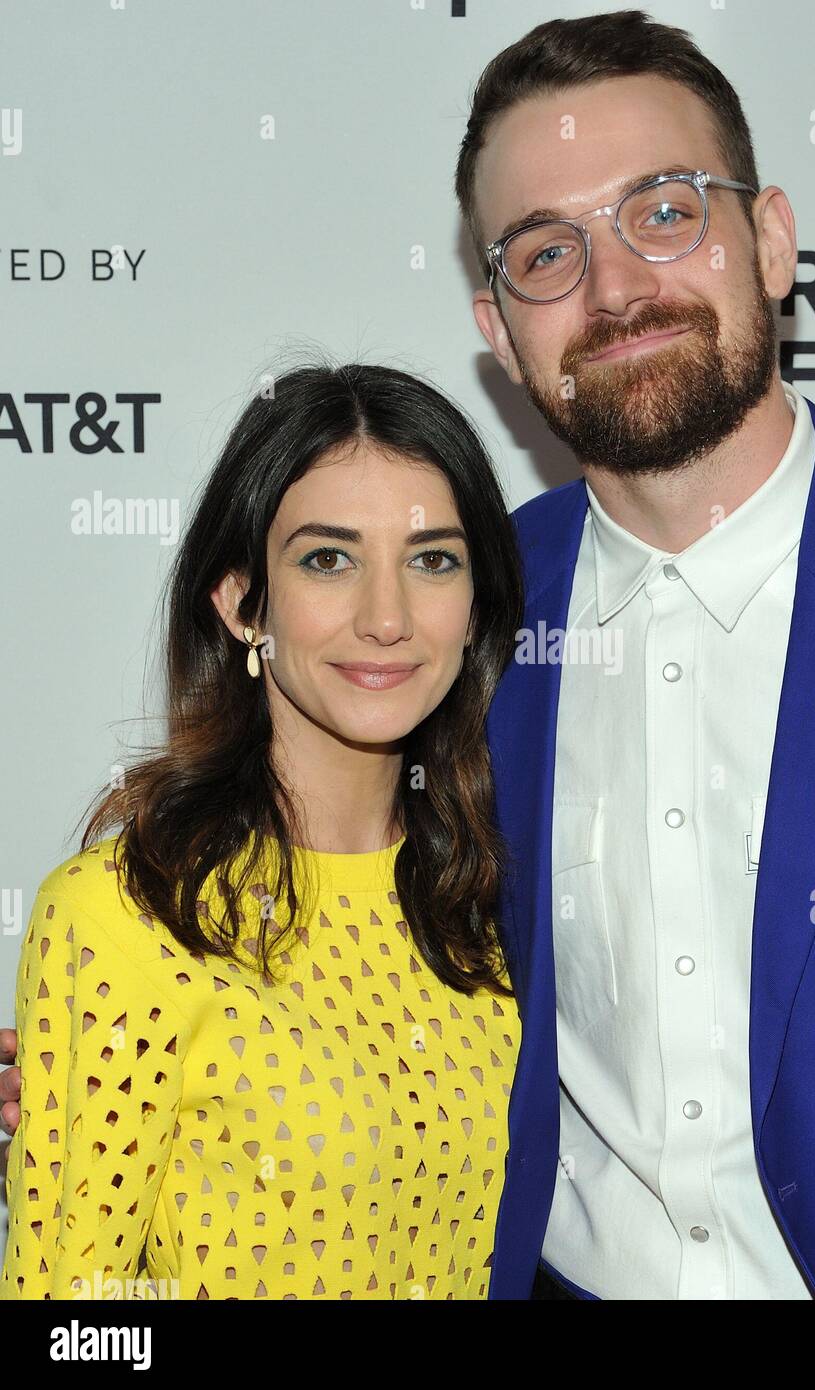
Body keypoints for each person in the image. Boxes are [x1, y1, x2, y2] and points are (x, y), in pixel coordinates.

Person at [6, 8, 815, 1303]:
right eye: (545, 251)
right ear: (496, 324)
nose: (611, 287)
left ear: (769, 240)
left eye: (662, 211)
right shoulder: (463, 612)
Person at [0, 362, 524, 1300]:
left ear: (477, 604)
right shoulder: (126, 917)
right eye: (328, 558)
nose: (387, 617)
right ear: (243, 602)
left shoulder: (499, 903)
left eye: (433, 559)